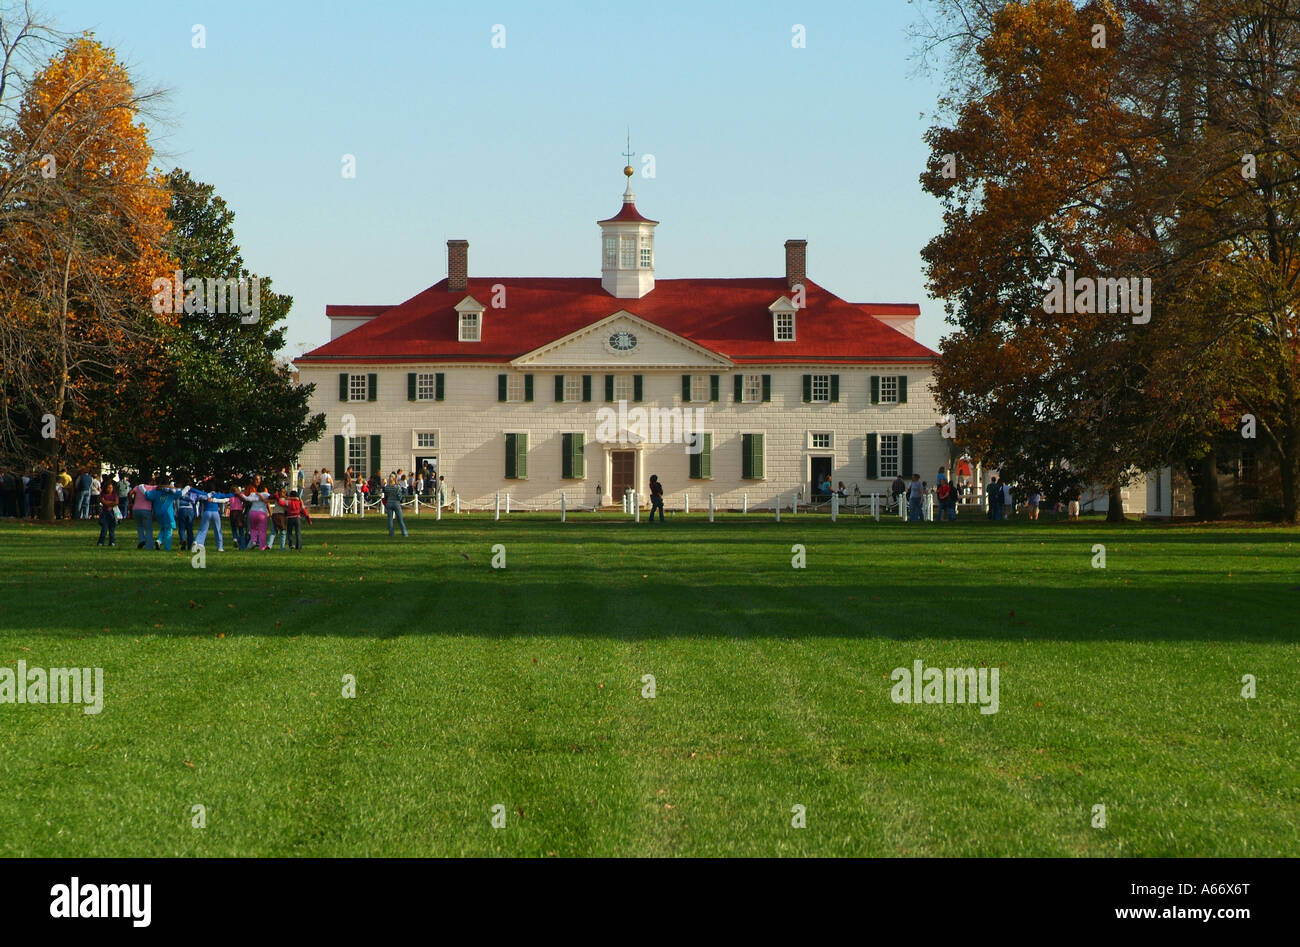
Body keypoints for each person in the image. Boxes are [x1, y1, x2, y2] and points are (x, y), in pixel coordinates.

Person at [146, 480, 182, 551]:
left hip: (158, 513)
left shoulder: (156, 492)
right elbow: (179, 493)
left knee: (163, 528)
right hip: (168, 514)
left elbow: (147, 495)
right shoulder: (170, 493)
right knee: (169, 530)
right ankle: (167, 548)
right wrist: (172, 488)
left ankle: (159, 541)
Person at [129, 478, 156, 549]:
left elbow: (130, 493)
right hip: (146, 509)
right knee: (148, 528)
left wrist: (131, 502)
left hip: (136, 509)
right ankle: (149, 546)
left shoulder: (137, 487)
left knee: (139, 526)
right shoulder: (153, 488)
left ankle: (141, 539)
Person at [245, 483, 272, 550]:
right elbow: (273, 498)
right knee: (262, 530)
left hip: (252, 512)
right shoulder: (266, 494)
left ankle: (253, 541)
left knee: (253, 529)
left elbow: (247, 499)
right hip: (262, 513)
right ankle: (262, 546)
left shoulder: (253, 494)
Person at [175, 479, 198, 551]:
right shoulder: (193, 492)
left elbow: (176, 502)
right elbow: (196, 502)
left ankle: (183, 540)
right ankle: (190, 545)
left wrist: (176, 512)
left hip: (181, 509)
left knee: (181, 528)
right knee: (190, 529)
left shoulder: (180, 491)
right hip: (190, 510)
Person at [96, 477, 119, 546]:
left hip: (112, 513)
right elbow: (103, 502)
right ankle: (101, 542)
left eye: (111, 488)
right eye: (108, 488)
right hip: (105, 513)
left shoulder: (114, 495)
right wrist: (110, 503)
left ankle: (112, 542)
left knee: (112, 529)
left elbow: (116, 502)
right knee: (104, 529)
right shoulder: (103, 495)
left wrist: (110, 505)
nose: (110, 489)